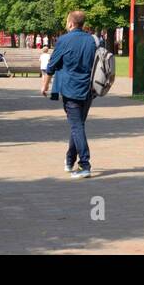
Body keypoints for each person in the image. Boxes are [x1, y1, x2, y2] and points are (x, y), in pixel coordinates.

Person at [40, 10, 97, 179]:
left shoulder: (64, 40)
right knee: (78, 125)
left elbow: (51, 65)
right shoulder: (92, 40)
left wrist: (44, 86)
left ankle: (85, 165)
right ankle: (69, 160)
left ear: (71, 23)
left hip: (70, 89)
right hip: (88, 89)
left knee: (76, 126)